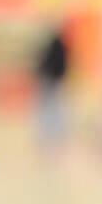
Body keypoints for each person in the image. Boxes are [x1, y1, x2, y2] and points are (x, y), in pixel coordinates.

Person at [35, 18, 70, 148]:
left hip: (52, 80)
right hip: (54, 80)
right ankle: (52, 132)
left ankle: (52, 132)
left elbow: (49, 63)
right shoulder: (61, 45)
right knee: (53, 107)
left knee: (51, 107)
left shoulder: (55, 45)